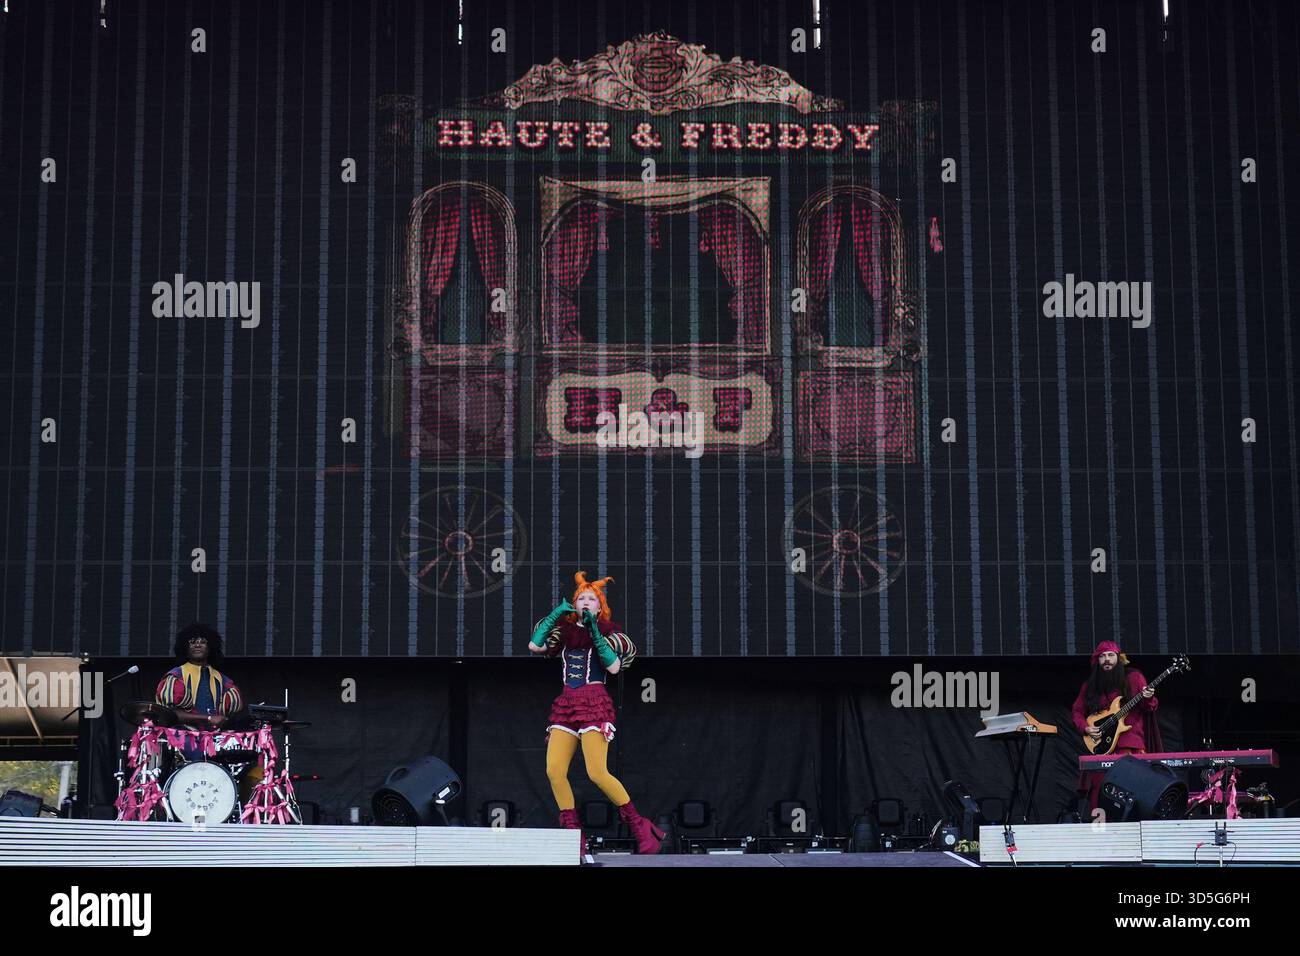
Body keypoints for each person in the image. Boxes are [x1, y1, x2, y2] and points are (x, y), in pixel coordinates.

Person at [530, 571, 665, 854]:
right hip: (567, 703)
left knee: (597, 772)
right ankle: (572, 835)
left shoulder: (609, 632)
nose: (586, 601)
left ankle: (641, 826)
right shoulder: (565, 633)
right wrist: (557, 613)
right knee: (554, 770)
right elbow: (535, 645)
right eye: (581, 598)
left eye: (592, 598)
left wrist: (593, 629)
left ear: (600, 605)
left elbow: (614, 666)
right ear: (574, 604)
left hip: (594, 702)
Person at [1071, 640, 1161, 813]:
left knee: (1131, 791)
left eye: (1111, 655)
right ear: (1096, 661)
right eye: (1102, 656)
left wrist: (1148, 697)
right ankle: (1102, 833)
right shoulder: (1089, 686)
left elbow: (1150, 707)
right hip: (1101, 748)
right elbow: (1077, 711)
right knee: (1100, 792)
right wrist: (1086, 728)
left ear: (1119, 659)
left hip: (1130, 745)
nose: (1106, 659)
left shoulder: (1134, 677)